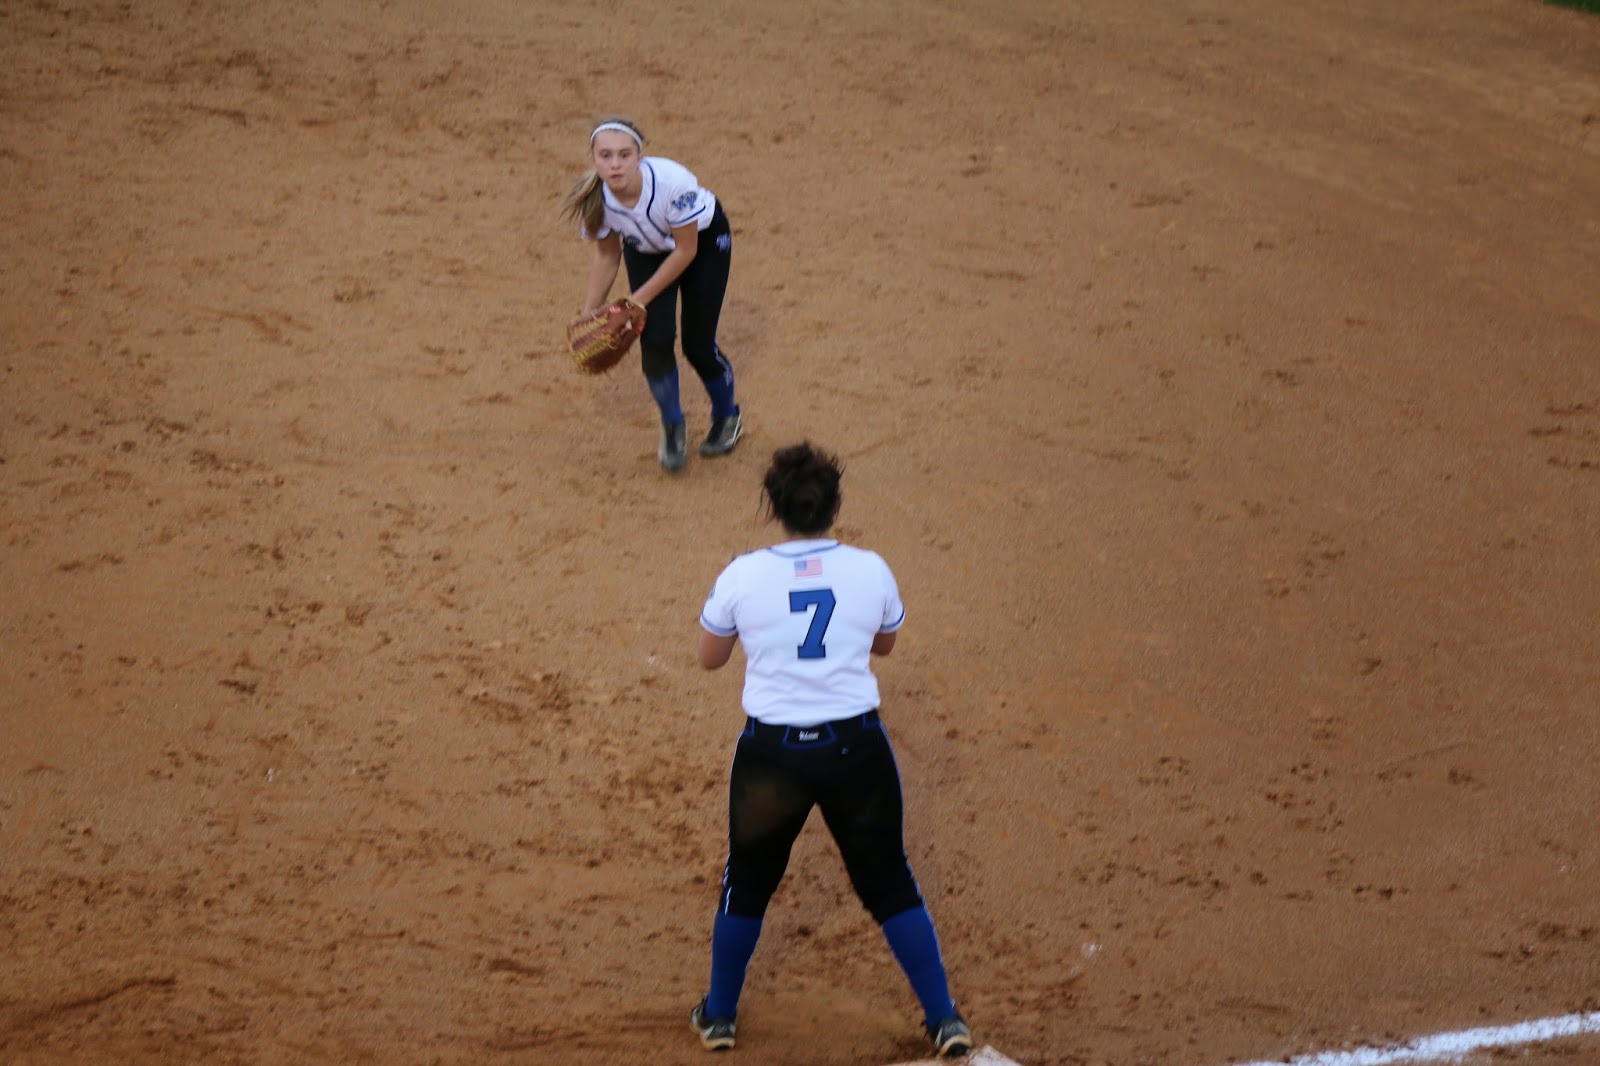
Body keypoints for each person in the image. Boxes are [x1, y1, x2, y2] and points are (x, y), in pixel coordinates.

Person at [690, 442, 972, 1058]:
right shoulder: (870, 569)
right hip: (855, 753)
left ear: (775, 507)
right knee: (890, 881)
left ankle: (718, 1017)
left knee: (748, 883)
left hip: (772, 761)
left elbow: (709, 659)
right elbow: (885, 645)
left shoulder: (742, 574)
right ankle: (945, 1020)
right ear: (834, 507)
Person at [561, 116, 742, 473]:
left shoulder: (673, 183)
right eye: (606, 156)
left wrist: (635, 300)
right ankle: (673, 423)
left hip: (701, 244)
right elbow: (607, 255)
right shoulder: (595, 199)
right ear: (594, 159)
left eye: (624, 155)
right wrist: (589, 311)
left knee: (697, 344)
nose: (615, 164)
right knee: (655, 342)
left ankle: (727, 416)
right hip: (645, 249)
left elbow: (685, 251)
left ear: (640, 156)